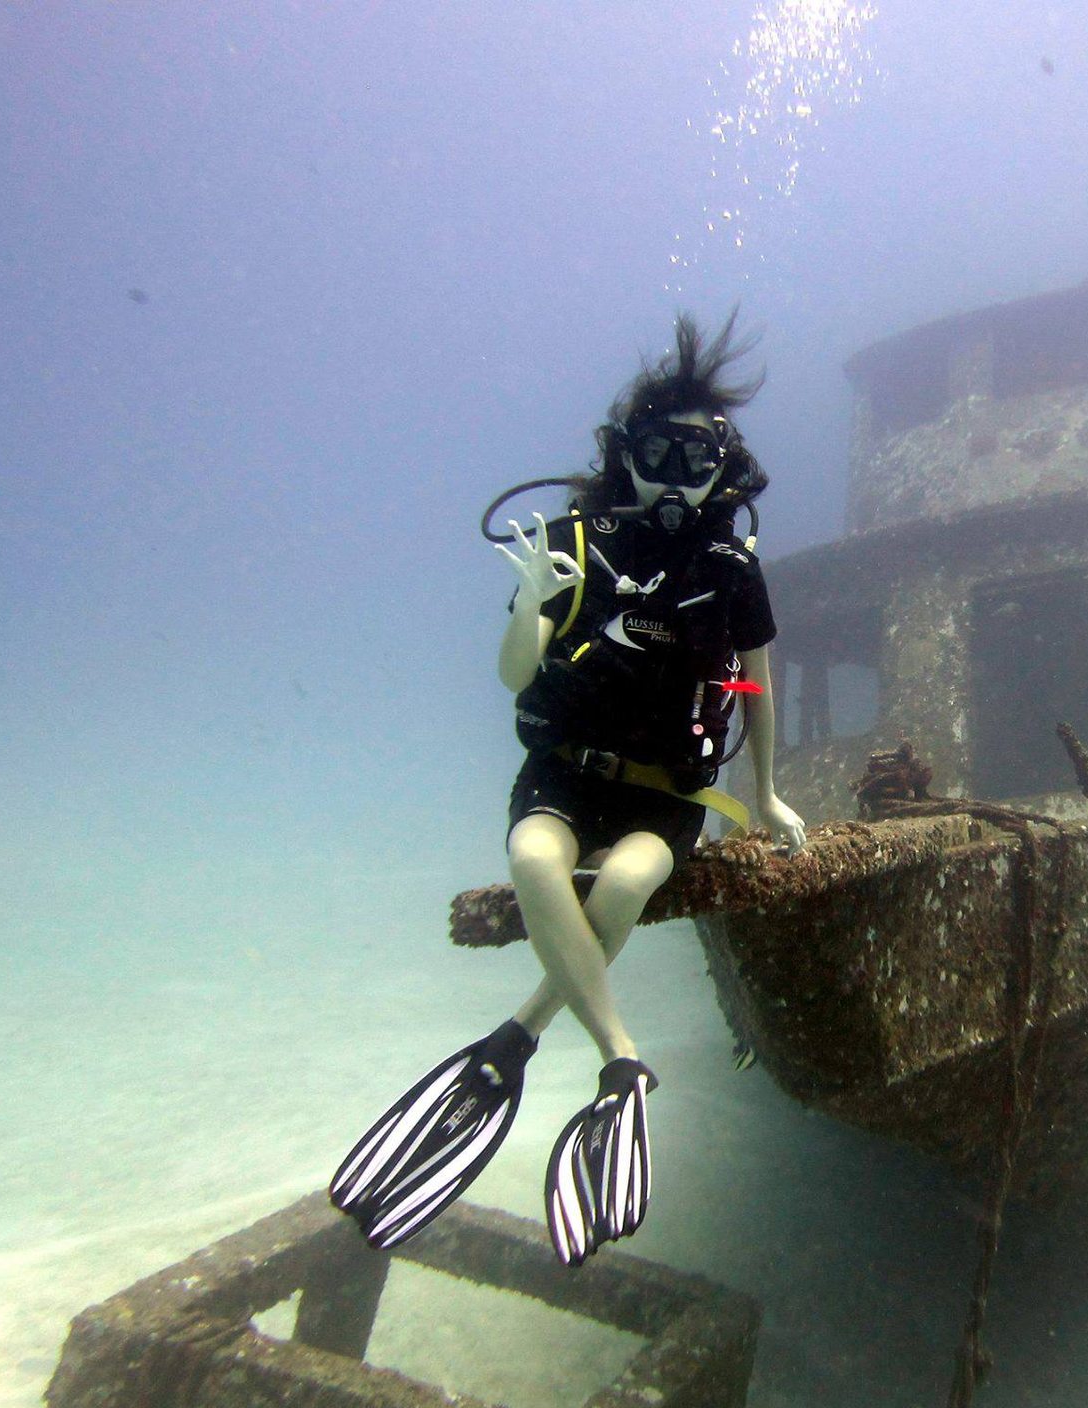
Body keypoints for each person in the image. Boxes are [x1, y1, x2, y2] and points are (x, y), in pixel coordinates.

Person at [331, 313, 806, 1263]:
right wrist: (532, 603)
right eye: (656, 454)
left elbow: (756, 685)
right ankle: (622, 1060)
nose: (673, 478)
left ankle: (517, 1036)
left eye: (695, 459)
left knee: (624, 883)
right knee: (534, 858)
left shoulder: (732, 571)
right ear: (626, 455)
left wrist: (767, 792)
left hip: (667, 793)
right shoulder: (570, 545)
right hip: (562, 773)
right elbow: (517, 675)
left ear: (722, 469)